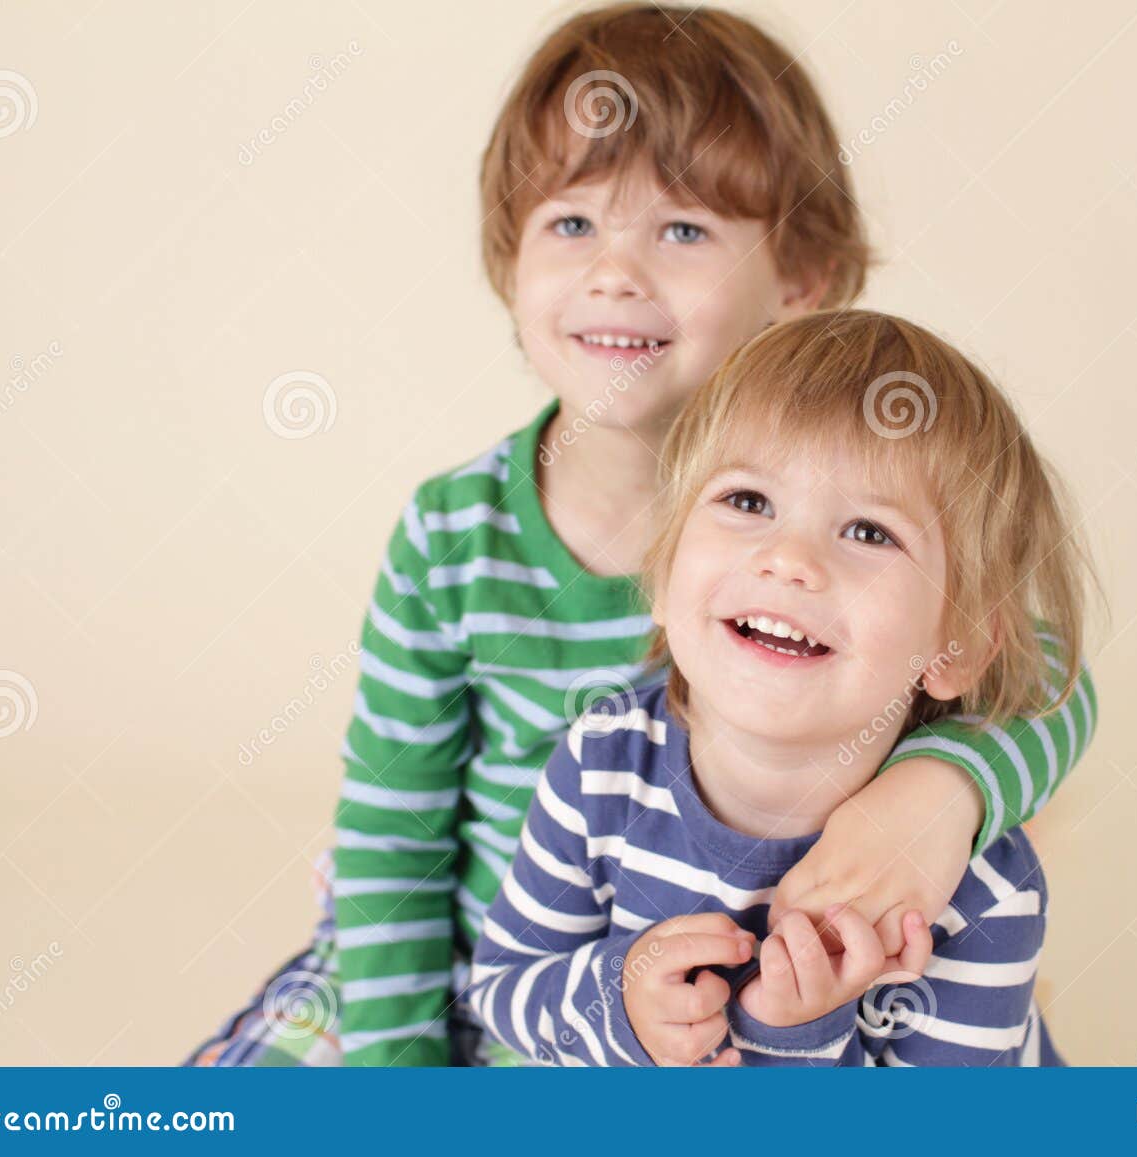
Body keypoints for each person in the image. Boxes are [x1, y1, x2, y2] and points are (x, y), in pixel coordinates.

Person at [187, 4, 1095, 1068]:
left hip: (754, 996)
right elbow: (393, 838)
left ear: (797, 282)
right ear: (509, 260)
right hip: (502, 976)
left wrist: (938, 794)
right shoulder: (450, 538)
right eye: (573, 224)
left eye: (682, 229)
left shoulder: (850, 535)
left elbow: (1043, 675)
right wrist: (402, 1072)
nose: (615, 272)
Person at [463, 309, 1090, 1066]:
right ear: (660, 575)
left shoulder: (978, 888)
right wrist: (618, 1004)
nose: (788, 558)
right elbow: (501, 987)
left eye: (869, 531)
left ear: (954, 648)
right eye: (748, 502)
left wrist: (791, 1036)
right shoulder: (602, 764)